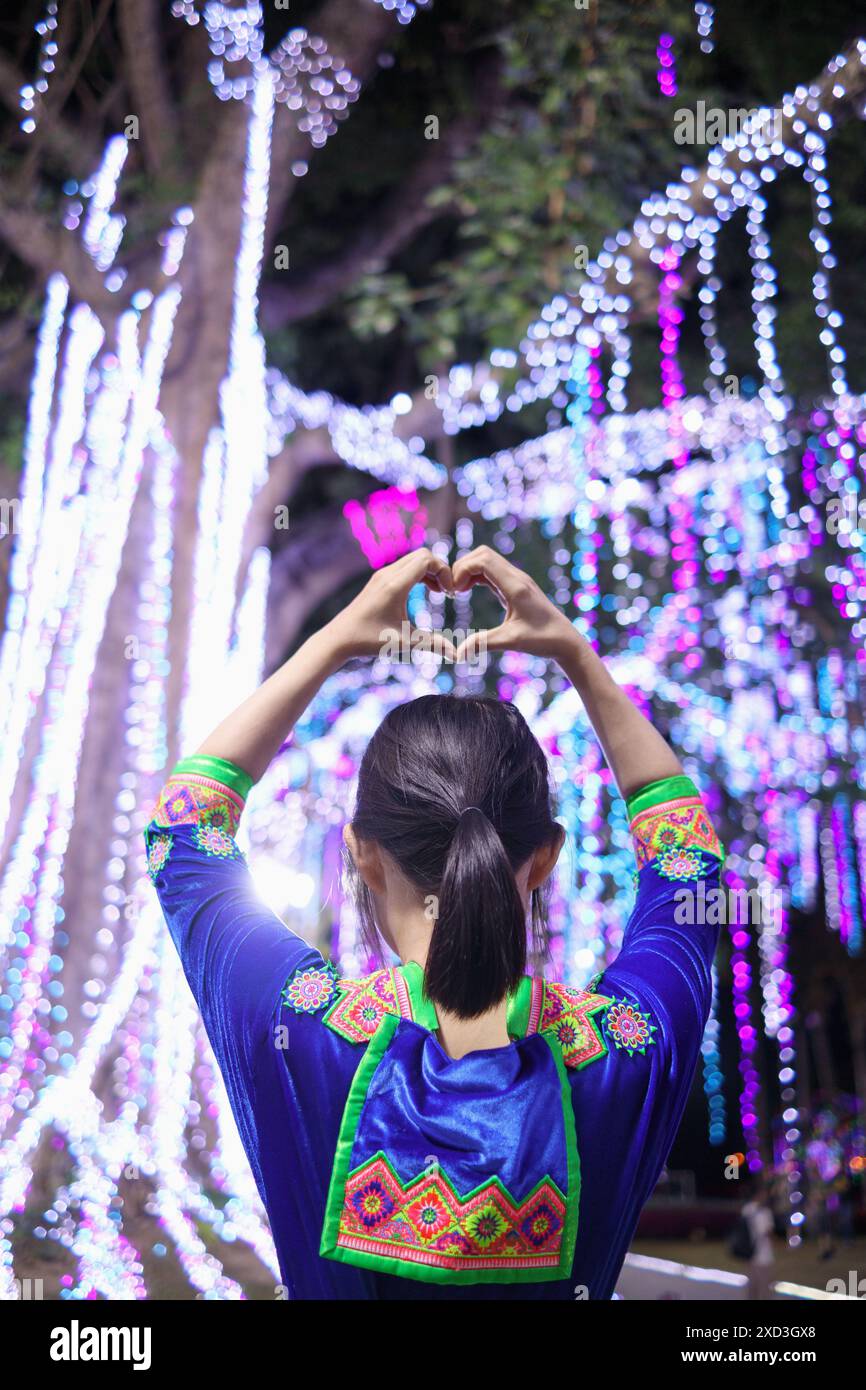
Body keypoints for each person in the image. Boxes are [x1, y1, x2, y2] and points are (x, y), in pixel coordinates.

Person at [145, 545, 725, 1299]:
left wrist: (336, 640)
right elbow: (688, 862)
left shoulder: (297, 1027)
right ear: (545, 858)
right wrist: (577, 657)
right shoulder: (625, 1046)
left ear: (362, 856)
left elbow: (184, 830)